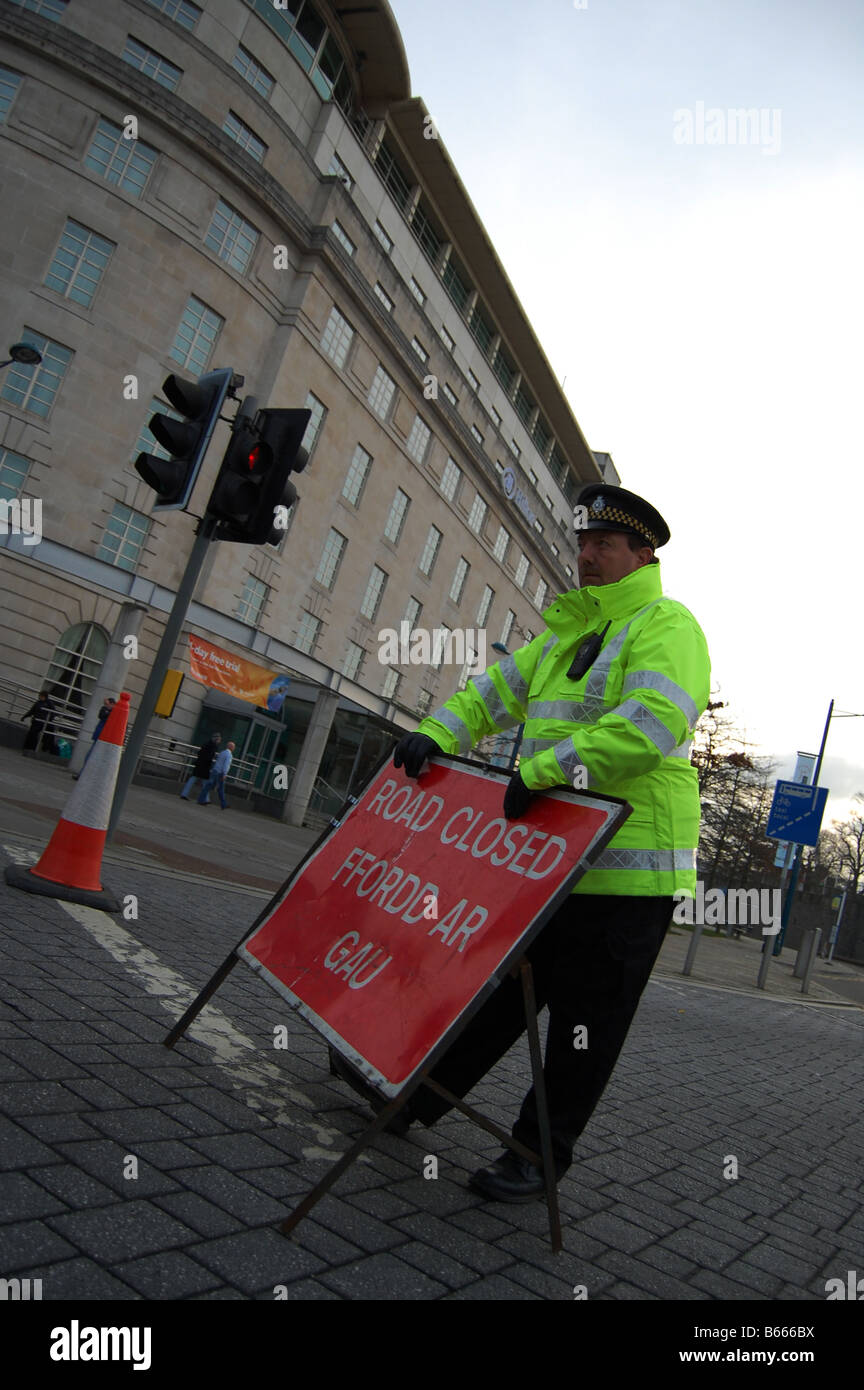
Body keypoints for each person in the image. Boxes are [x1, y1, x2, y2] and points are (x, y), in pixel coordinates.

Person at [332, 484, 711, 1202]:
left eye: (605, 544)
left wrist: (543, 771)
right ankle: (414, 1100)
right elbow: (491, 695)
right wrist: (438, 734)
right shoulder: (563, 636)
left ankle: (536, 1156)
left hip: (627, 876)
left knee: (582, 1030)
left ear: (643, 555)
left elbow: (653, 722)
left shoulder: (669, 625)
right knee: (491, 994)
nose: (588, 554)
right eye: (584, 542)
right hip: (546, 865)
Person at [180, 732, 222, 800]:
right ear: (216, 739)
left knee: (193, 778)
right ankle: (205, 799)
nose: (219, 741)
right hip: (205, 766)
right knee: (205, 783)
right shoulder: (213, 746)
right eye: (219, 739)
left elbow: (200, 753)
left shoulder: (206, 743)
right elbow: (210, 756)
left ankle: (184, 793)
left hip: (199, 764)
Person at [197, 740, 235, 809]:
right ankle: (223, 804)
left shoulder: (222, 752)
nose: (234, 748)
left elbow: (217, 761)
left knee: (208, 786)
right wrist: (224, 774)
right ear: (231, 747)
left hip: (215, 770)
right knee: (220, 788)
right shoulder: (229, 755)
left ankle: (201, 799)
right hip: (220, 773)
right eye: (233, 747)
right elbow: (226, 765)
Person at [81, 697, 116, 769]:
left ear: (112, 704)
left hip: (103, 736)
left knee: (92, 755)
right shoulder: (105, 710)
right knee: (92, 755)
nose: (106, 705)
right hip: (101, 736)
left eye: (107, 704)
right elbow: (101, 715)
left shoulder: (112, 712)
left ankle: (82, 773)